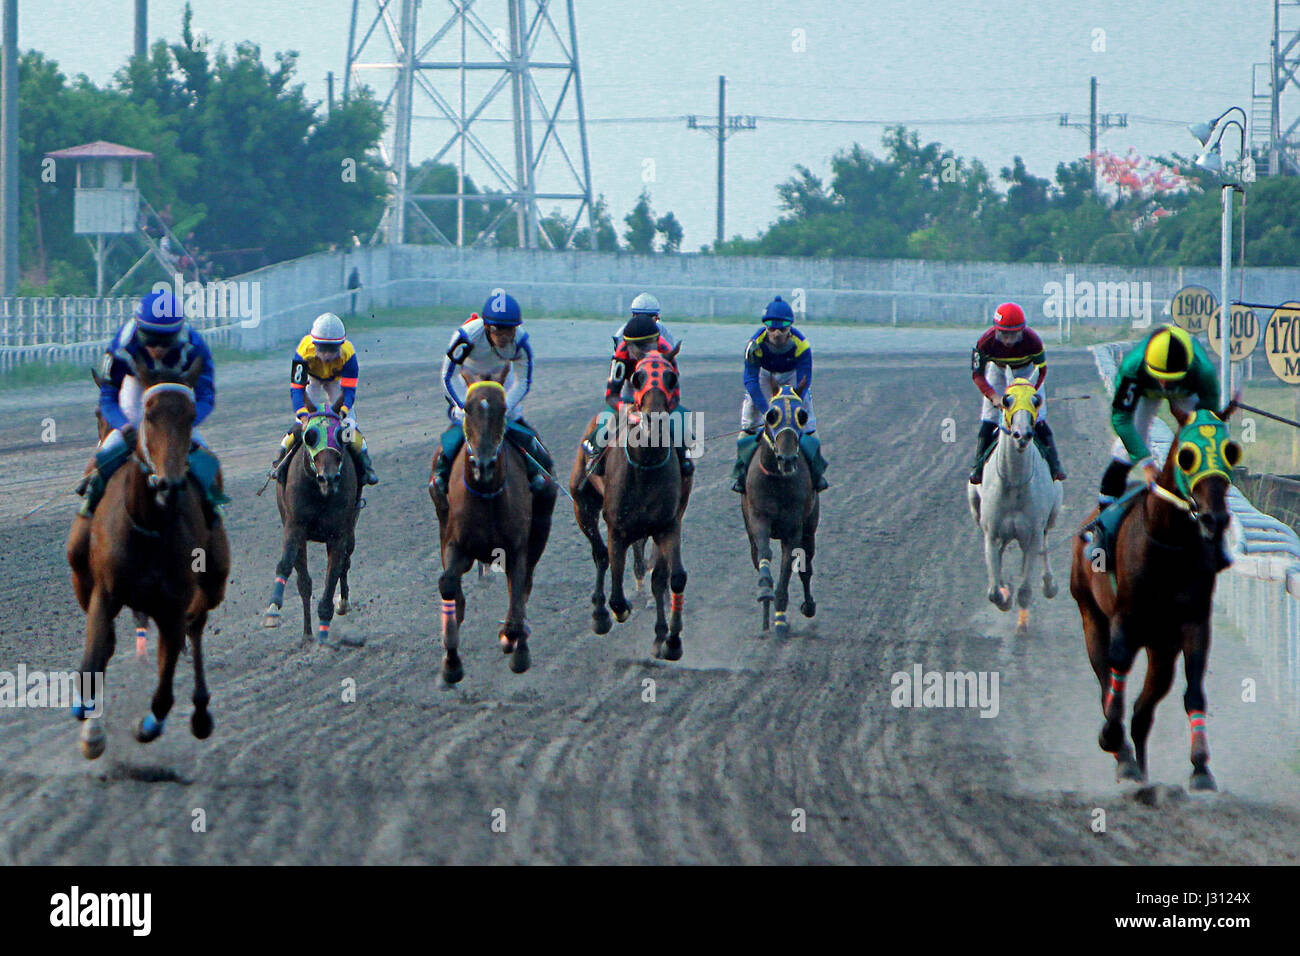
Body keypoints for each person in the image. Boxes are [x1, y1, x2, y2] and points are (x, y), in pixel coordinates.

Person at [1088, 323, 1231, 570]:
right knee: (1123, 456)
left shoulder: (1203, 372)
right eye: (1160, 378)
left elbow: (1208, 426)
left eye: (1170, 379)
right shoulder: (1133, 367)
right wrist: (1144, 462)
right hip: (1144, 391)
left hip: (1187, 392)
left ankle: (1215, 540)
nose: (1165, 385)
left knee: (1200, 458)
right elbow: (1121, 419)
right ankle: (1102, 535)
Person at [75, 288, 225, 520]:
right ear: (138, 329)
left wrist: (185, 423)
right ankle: (90, 509)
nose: (158, 349)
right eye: (151, 340)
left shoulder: (196, 347)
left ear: (179, 333)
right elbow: (107, 397)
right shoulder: (122, 345)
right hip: (136, 388)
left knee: (206, 456)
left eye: (166, 341)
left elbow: (206, 396)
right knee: (110, 448)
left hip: (177, 394)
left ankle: (212, 510)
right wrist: (123, 427)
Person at [431, 291, 554, 495]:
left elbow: (523, 381)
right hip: (468, 378)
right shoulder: (466, 336)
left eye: (510, 330)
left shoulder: (521, 342)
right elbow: (447, 376)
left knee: (514, 418)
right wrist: (464, 405)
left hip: (502, 379)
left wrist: (505, 407)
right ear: (487, 327)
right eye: (499, 330)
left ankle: (539, 468)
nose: (505, 337)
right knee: (462, 420)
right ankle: (440, 471)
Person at [577, 304, 693, 485]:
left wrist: (662, 410)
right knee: (609, 420)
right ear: (629, 345)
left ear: (656, 341)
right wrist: (626, 408)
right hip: (630, 393)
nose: (642, 351)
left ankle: (684, 457)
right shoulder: (621, 353)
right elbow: (611, 395)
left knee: (682, 418)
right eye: (637, 347)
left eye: (647, 346)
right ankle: (595, 452)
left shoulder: (666, 353)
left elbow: (675, 395)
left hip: (657, 396)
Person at [730, 295, 828, 493]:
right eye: (771, 327)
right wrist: (767, 409)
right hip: (764, 376)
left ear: (790, 327)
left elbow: (805, 379)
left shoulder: (802, 345)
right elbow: (750, 380)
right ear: (765, 327)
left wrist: (794, 402)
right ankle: (741, 473)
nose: (776, 333)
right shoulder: (754, 344)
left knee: (808, 423)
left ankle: (816, 473)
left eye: (782, 328)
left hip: (793, 377)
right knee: (748, 423)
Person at [268, 312, 378, 486]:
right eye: (322, 349)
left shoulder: (349, 355)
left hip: (335, 383)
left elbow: (349, 391)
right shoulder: (303, 352)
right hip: (312, 380)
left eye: (332, 350)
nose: (326, 355)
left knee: (349, 425)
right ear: (314, 345)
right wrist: (303, 415)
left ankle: (365, 465)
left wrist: (343, 411)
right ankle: (280, 460)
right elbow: (296, 389)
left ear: (341, 346)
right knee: (299, 425)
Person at [968, 301, 1065, 484]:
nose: (1008, 341)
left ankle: (1055, 465)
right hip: (998, 372)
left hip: (1027, 374)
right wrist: (993, 396)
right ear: (995, 330)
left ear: (1022, 331)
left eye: (1014, 335)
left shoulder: (1033, 341)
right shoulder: (985, 342)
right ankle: (978, 467)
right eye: (1003, 334)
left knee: (1039, 420)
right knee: (988, 419)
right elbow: (977, 375)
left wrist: (1028, 393)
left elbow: (1042, 371)